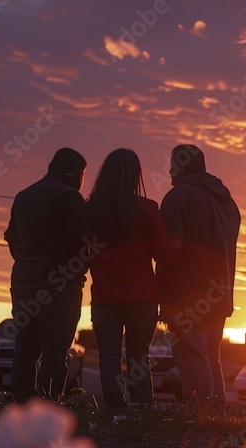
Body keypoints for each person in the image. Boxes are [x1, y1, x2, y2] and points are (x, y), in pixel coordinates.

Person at [86, 148, 174, 412]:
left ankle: (116, 413)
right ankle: (141, 414)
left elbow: (79, 252)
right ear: (136, 175)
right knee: (139, 360)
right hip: (142, 298)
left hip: (105, 298)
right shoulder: (147, 209)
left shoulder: (90, 210)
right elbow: (165, 253)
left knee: (109, 361)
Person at [4, 147, 89, 402]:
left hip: (23, 284)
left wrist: (26, 263)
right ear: (74, 173)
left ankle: (21, 406)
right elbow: (81, 245)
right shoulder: (70, 198)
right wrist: (79, 270)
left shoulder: (24, 196)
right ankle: (48, 406)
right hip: (60, 288)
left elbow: (11, 237)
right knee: (55, 352)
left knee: (24, 349)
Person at [158, 144, 241, 405]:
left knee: (192, 359)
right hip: (220, 295)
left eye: (173, 164)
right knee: (210, 358)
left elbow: (171, 247)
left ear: (182, 166)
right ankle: (216, 415)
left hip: (188, 296)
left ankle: (200, 415)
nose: (169, 170)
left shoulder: (179, 196)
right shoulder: (227, 202)